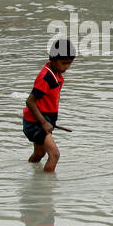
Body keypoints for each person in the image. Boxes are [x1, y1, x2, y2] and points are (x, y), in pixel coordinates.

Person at [23, 39, 74, 172]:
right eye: (63, 63)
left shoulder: (55, 74)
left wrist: (49, 121)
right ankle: (45, 189)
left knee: (39, 154)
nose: (66, 67)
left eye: (69, 64)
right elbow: (30, 101)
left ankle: (29, 173)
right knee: (55, 155)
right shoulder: (46, 78)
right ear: (52, 58)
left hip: (42, 120)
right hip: (36, 122)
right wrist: (44, 122)